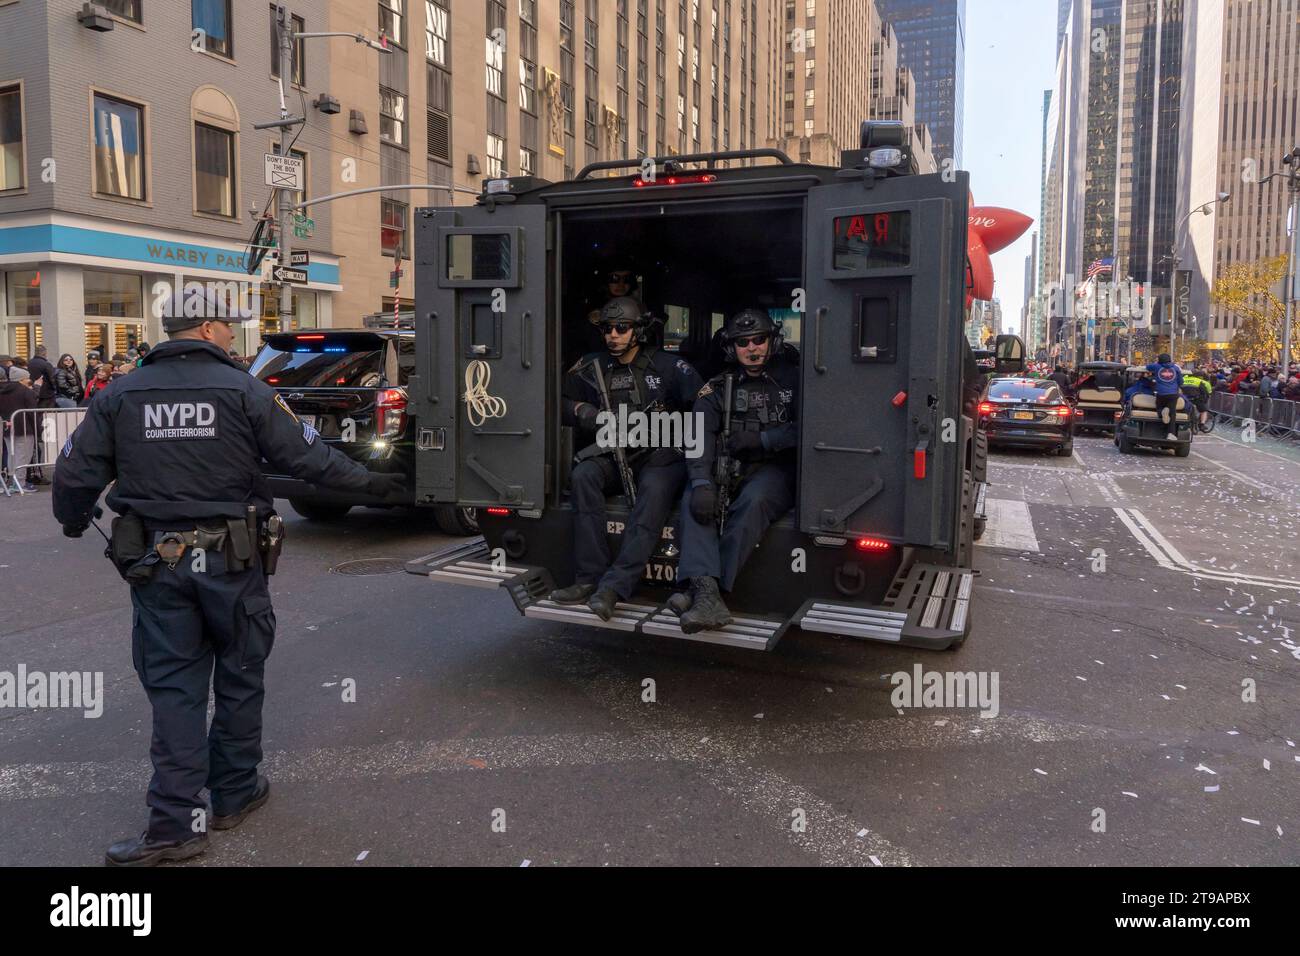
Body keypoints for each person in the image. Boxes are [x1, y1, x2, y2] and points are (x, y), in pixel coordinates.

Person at [52, 293, 404, 867]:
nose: (233, 338)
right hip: (231, 562)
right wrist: (377, 485)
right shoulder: (246, 391)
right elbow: (311, 458)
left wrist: (72, 522)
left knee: (174, 688)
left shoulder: (120, 393)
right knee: (239, 675)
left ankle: (173, 827)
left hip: (159, 564)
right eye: (229, 329)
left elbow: (74, 473)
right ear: (210, 328)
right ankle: (234, 794)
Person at [551, 295, 703, 621]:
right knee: (583, 476)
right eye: (607, 328)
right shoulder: (592, 365)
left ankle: (614, 587)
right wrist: (581, 410)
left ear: (638, 331)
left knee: (651, 496)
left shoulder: (668, 366)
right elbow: (557, 399)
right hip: (614, 451)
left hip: (662, 455)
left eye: (622, 328)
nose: (613, 335)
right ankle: (589, 579)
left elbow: (705, 405)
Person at [673, 309, 798, 634]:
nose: (753, 348)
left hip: (774, 469)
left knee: (754, 502)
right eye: (744, 342)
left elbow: (810, 430)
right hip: (730, 466)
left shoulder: (795, 380)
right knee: (695, 501)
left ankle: (700, 592)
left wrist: (764, 439)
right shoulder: (715, 388)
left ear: (772, 341)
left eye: (759, 340)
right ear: (732, 347)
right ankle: (707, 593)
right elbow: (699, 437)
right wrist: (702, 483)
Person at [0, 366, 40, 491]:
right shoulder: (26, 392)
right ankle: (20, 483)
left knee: (12, 455)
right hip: (24, 428)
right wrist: (38, 429)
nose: (29, 380)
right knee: (23, 456)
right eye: (26, 378)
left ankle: (13, 481)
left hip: (7, 428)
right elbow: (32, 412)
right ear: (21, 379)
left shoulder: (2, 391)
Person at [1146, 352, 1183, 440]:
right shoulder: (1176, 368)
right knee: (1172, 413)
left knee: (1158, 406)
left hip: (1161, 394)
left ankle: (1161, 411)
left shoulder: (1157, 366)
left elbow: (1147, 367)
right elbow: (1181, 382)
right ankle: (1171, 433)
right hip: (1173, 394)